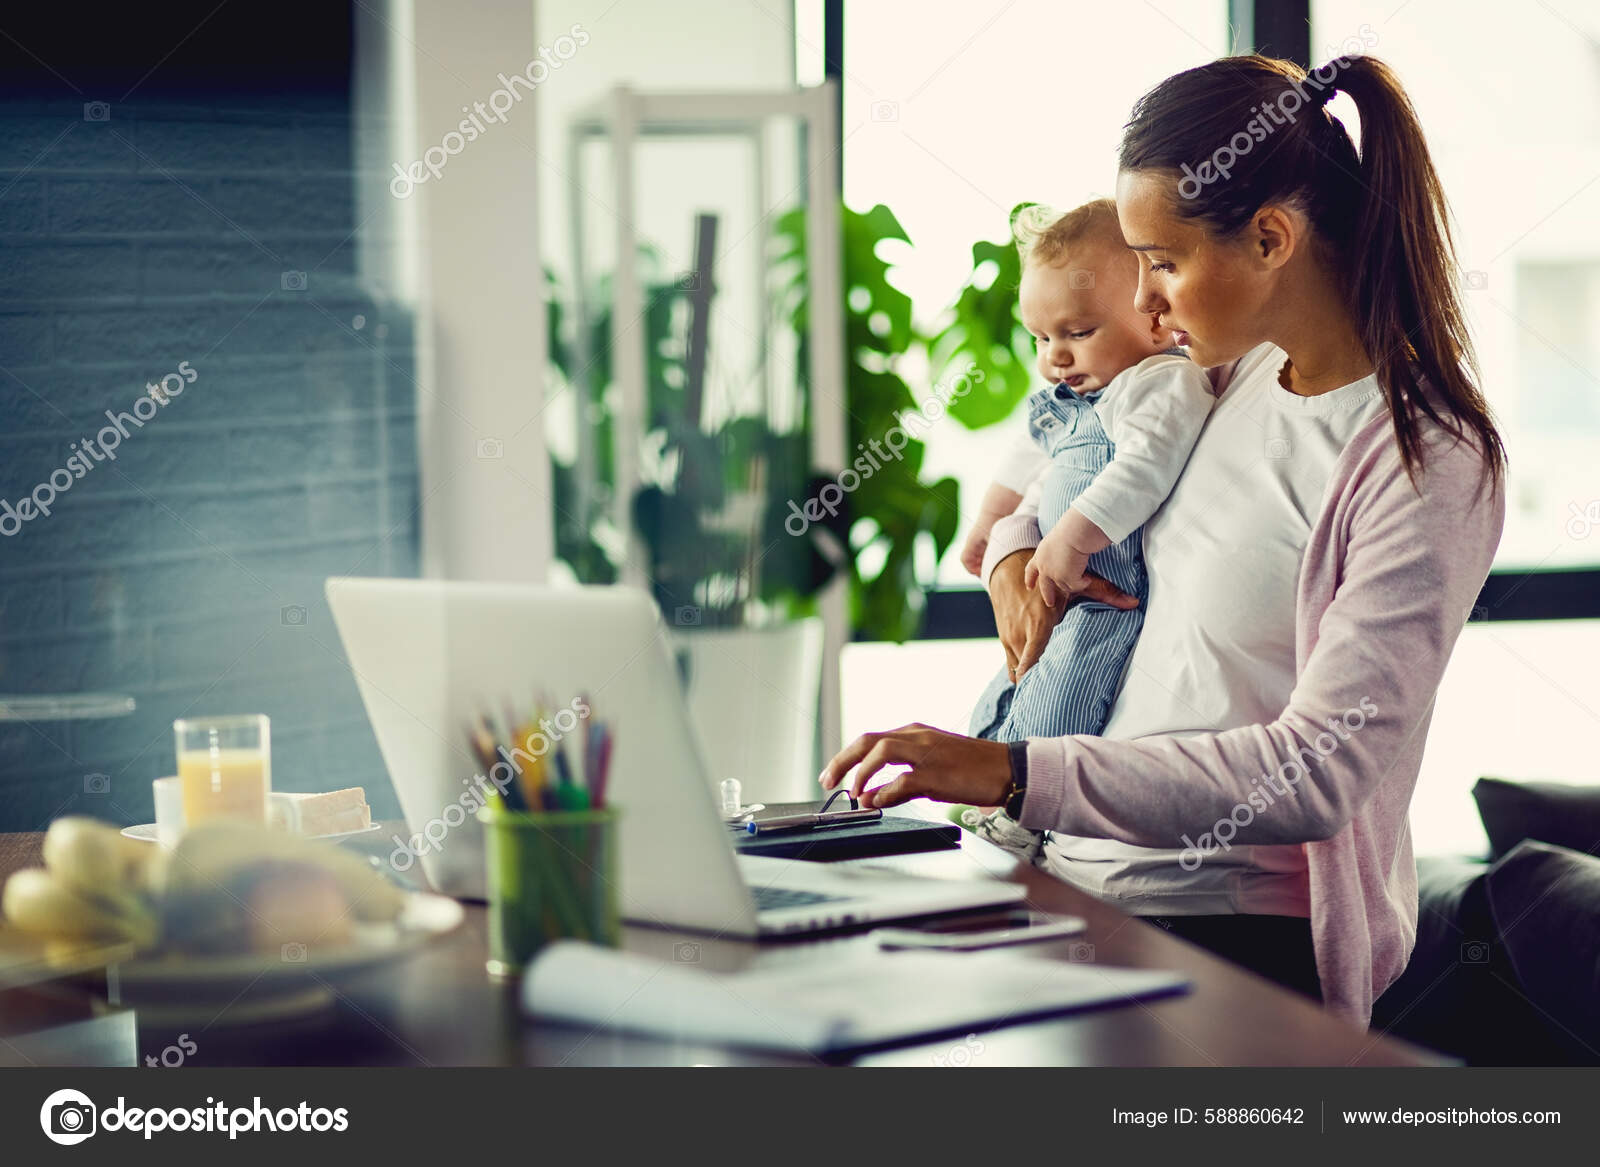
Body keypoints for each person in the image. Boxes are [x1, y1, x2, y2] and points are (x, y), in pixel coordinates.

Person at [821, 54, 1506, 1026]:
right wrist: (1016, 551)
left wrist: (1012, 771)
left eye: (1165, 263)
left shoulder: (1422, 457)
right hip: (1065, 886)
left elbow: (1318, 770)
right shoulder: (1218, 382)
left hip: (1228, 939)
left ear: (1270, 238)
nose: (1143, 302)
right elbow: (1072, 444)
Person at [946, 199, 1214, 860]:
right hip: (1055, 580)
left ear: (1155, 317)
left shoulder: (1157, 384)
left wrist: (1068, 539)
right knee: (1017, 678)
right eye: (1040, 337)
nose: (1054, 358)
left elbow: (1146, 466)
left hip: (1103, 585)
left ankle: (1021, 810)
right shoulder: (1078, 394)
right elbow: (1028, 457)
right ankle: (987, 778)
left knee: (1066, 690)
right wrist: (989, 529)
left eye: (1078, 332)